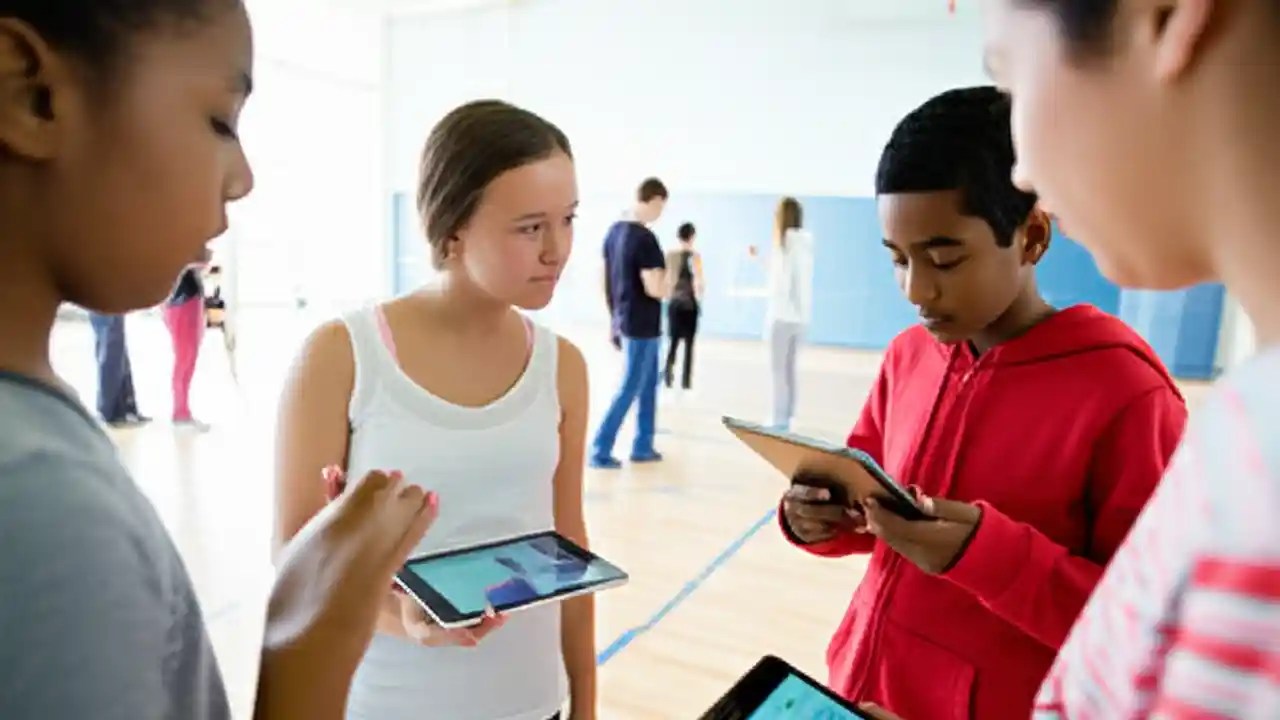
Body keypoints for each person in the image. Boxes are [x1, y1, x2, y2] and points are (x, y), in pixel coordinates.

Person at [0, 2, 440, 719]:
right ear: (30, 93)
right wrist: (312, 642)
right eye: (221, 121)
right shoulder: (40, 511)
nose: (243, 177)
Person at [780, 86, 1187, 720]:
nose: (916, 289)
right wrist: (816, 519)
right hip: (857, 691)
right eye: (897, 260)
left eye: (944, 258)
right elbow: (866, 494)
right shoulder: (908, 355)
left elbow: (1147, 636)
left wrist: (986, 557)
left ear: (1032, 237)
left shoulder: (1127, 395)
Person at [275, 99, 596, 720]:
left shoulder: (565, 367)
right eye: (531, 227)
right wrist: (407, 620)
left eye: (569, 220)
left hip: (534, 705)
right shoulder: (342, 356)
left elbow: (570, 549)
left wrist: (583, 702)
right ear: (452, 230)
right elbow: (293, 560)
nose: (558, 249)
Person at [589, 177, 669, 469]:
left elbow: (604, 280)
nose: (660, 214)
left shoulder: (613, 233)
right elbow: (655, 288)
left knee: (647, 385)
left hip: (624, 319)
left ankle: (643, 445)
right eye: (661, 207)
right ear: (655, 201)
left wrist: (613, 318)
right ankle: (600, 447)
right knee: (631, 386)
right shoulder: (645, 239)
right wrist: (669, 280)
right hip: (643, 324)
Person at [757, 197, 813, 431]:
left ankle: (778, 419)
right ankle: (788, 415)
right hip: (800, 319)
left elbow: (780, 285)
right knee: (790, 371)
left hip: (781, 317)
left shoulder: (783, 246)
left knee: (778, 371)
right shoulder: (804, 244)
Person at [164, 262, 210, 430]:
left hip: (189, 298)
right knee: (184, 358)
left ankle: (182, 410)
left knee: (188, 359)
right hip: (182, 300)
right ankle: (180, 412)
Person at [88, 311, 149, 427]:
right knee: (111, 352)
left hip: (105, 306)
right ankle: (109, 410)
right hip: (105, 306)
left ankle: (123, 408)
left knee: (116, 353)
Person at [663, 221, 704, 392]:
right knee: (689, 344)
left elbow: (666, 280)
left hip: (674, 303)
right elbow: (699, 282)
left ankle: (668, 374)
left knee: (673, 341)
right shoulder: (695, 257)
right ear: (692, 236)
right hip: (689, 305)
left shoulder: (670, 256)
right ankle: (686, 381)